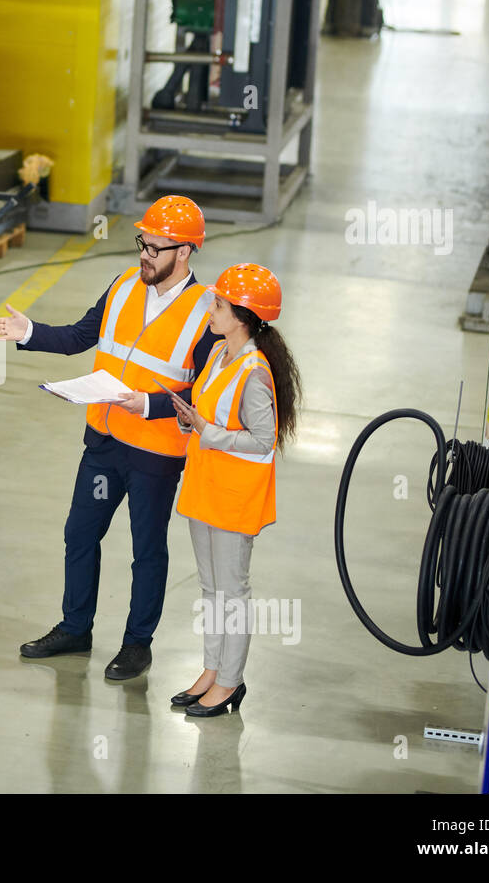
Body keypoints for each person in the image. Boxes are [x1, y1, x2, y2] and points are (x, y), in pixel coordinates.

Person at [0, 195, 219, 681]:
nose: (145, 255)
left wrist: (152, 405)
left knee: (146, 549)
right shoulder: (122, 286)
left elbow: (204, 390)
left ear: (186, 252)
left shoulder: (206, 312)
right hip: (105, 441)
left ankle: (137, 645)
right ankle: (76, 628)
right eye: (143, 243)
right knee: (80, 532)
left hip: (155, 454)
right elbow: (78, 337)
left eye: (156, 248)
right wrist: (27, 331)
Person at [167, 263, 301, 716]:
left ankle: (229, 681)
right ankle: (210, 670)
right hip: (205, 486)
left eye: (219, 304)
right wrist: (194, 420)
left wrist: (207, 430)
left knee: (232, 591)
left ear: (242, 316)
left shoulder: (255, 371)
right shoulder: (217, 354)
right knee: (211, 588)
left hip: (233, 496)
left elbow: (264, 442)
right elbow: (212, 416)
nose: (211, 307)